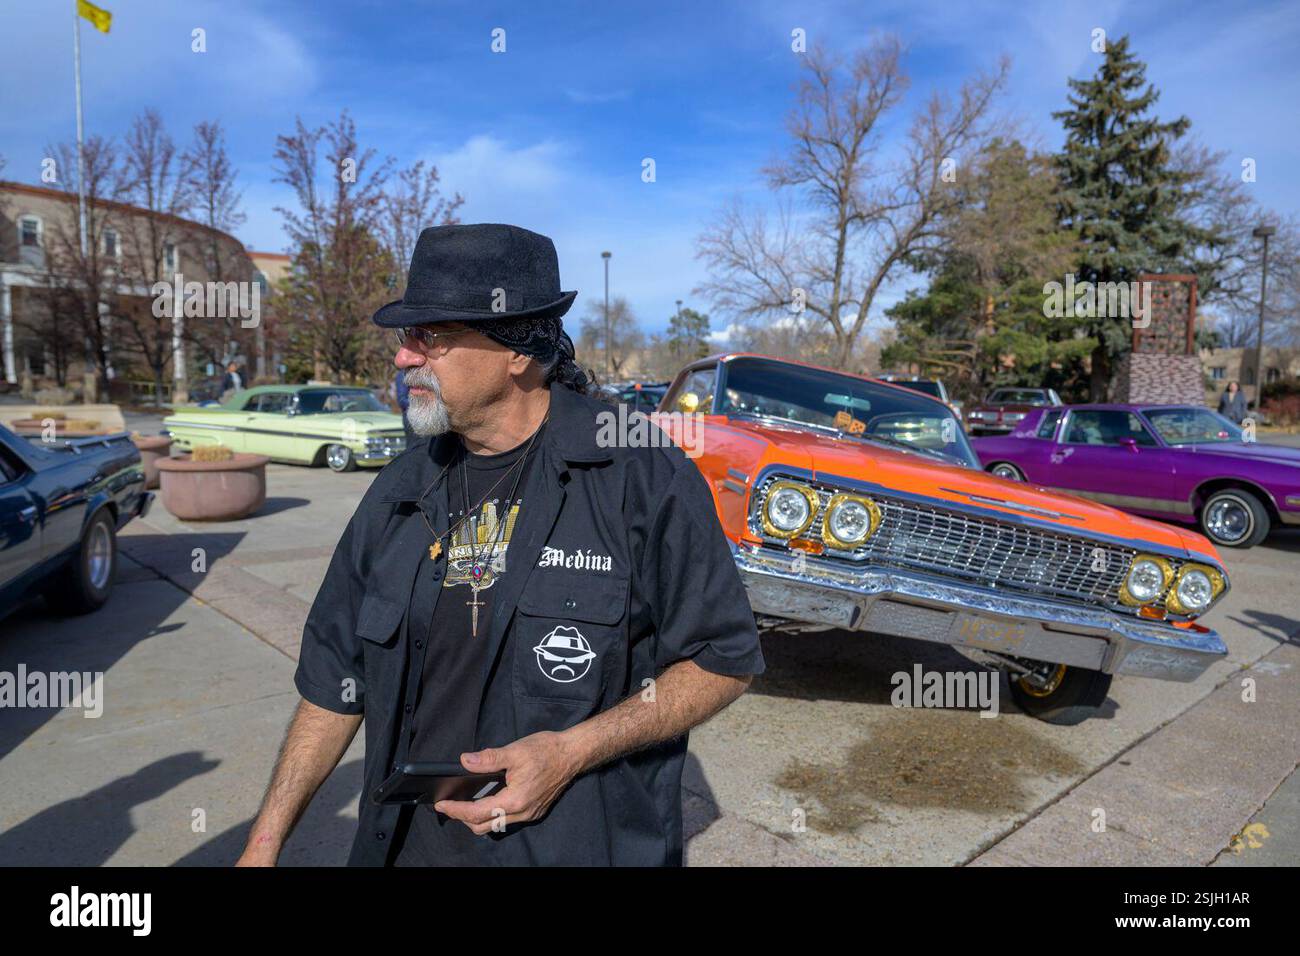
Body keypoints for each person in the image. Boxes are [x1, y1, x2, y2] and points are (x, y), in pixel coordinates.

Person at [237, 223, 764, 866]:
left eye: (430, 338)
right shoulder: (401, 489)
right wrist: (262, 847)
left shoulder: (640, 473)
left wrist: (572, 751)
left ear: (517, 351)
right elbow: (333, 680)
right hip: (403, 850)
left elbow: (723, 660)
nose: (405, 358)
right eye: (407, 338)